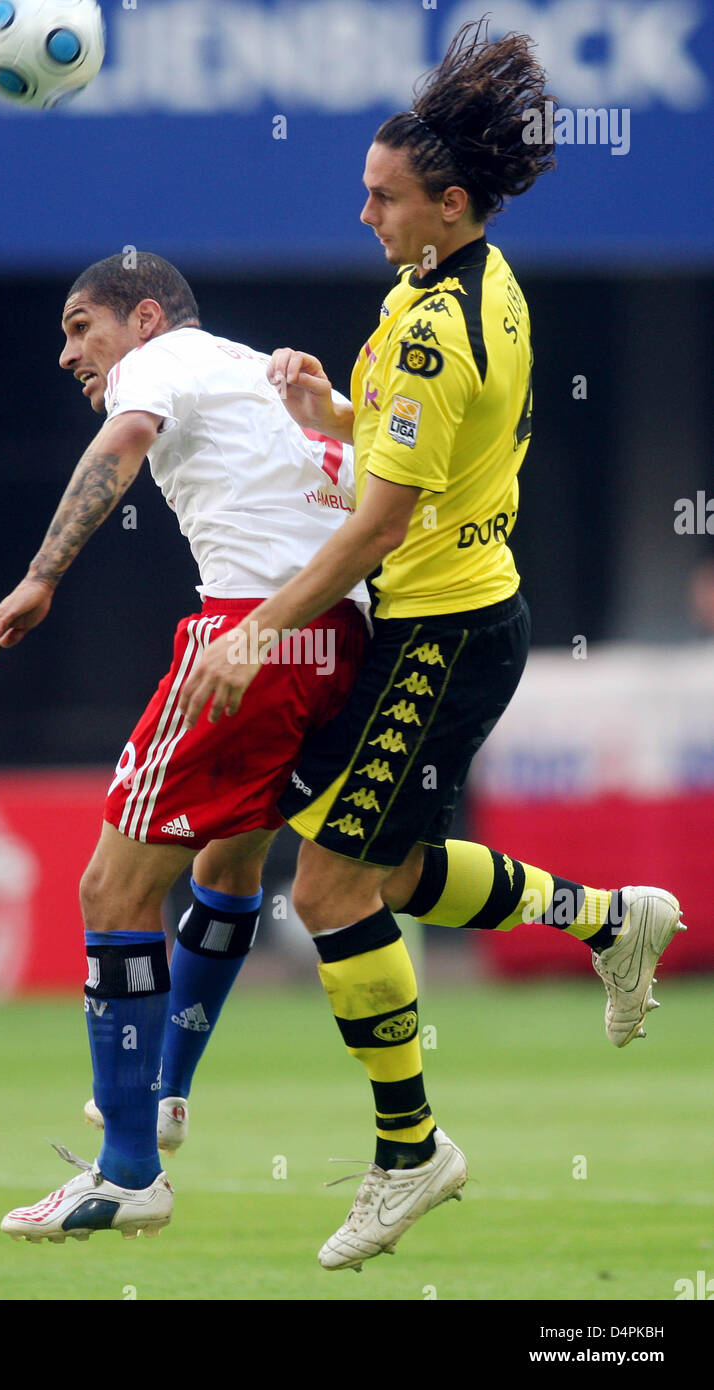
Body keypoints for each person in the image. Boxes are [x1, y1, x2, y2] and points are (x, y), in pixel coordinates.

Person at [179, 20, 685, 1271]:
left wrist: (254, 635)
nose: (363, 215)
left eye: (382, 197)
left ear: (448, 203)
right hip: (459, 613)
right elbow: (428, 449)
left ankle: (410, 1152)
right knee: (382, 870)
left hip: (440, 631)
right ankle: (609, 916)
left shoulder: (426, 325)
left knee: (332, 885)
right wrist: (334, 413)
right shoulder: (472, 280)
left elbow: (376, 525)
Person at [0, 251, 369, 1242]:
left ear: (144, 317)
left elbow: (125, 442)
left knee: (111, 888)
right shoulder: (266, 375)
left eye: (80, 328)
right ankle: (167, 1090)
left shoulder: (165, 361)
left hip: (250, 637)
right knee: (230, 859)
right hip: (337, 637)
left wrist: (39, 575)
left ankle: (127, 1169)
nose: (70, 353)